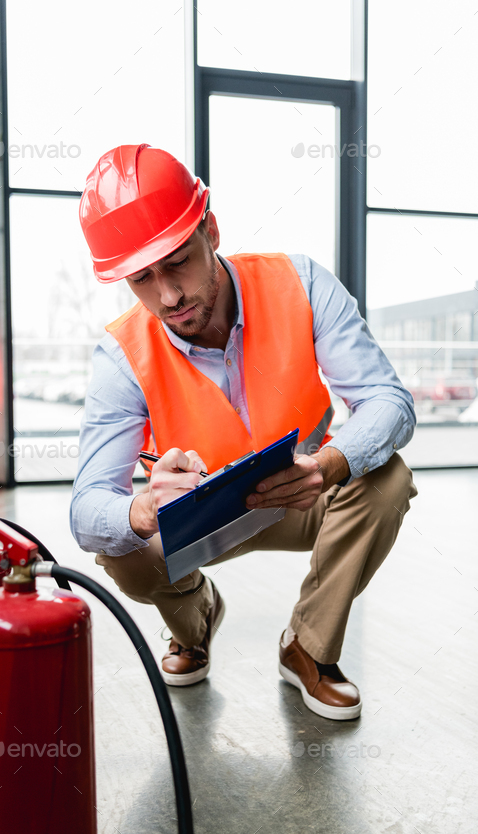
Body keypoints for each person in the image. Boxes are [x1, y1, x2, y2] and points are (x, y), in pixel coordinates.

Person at [70, 143, 417, 721]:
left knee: (388, 476)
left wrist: (327, 466)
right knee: (121, 549)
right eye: (141, 278)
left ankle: (308, 647)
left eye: (177, 261)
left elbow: (389, 401)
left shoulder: (301, 283)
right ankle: (196, 619)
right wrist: (145, 509)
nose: (168, 296)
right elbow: (86, 510)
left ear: (210, 230)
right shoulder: (121, 356)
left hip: (301, 490)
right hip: (198, 519)